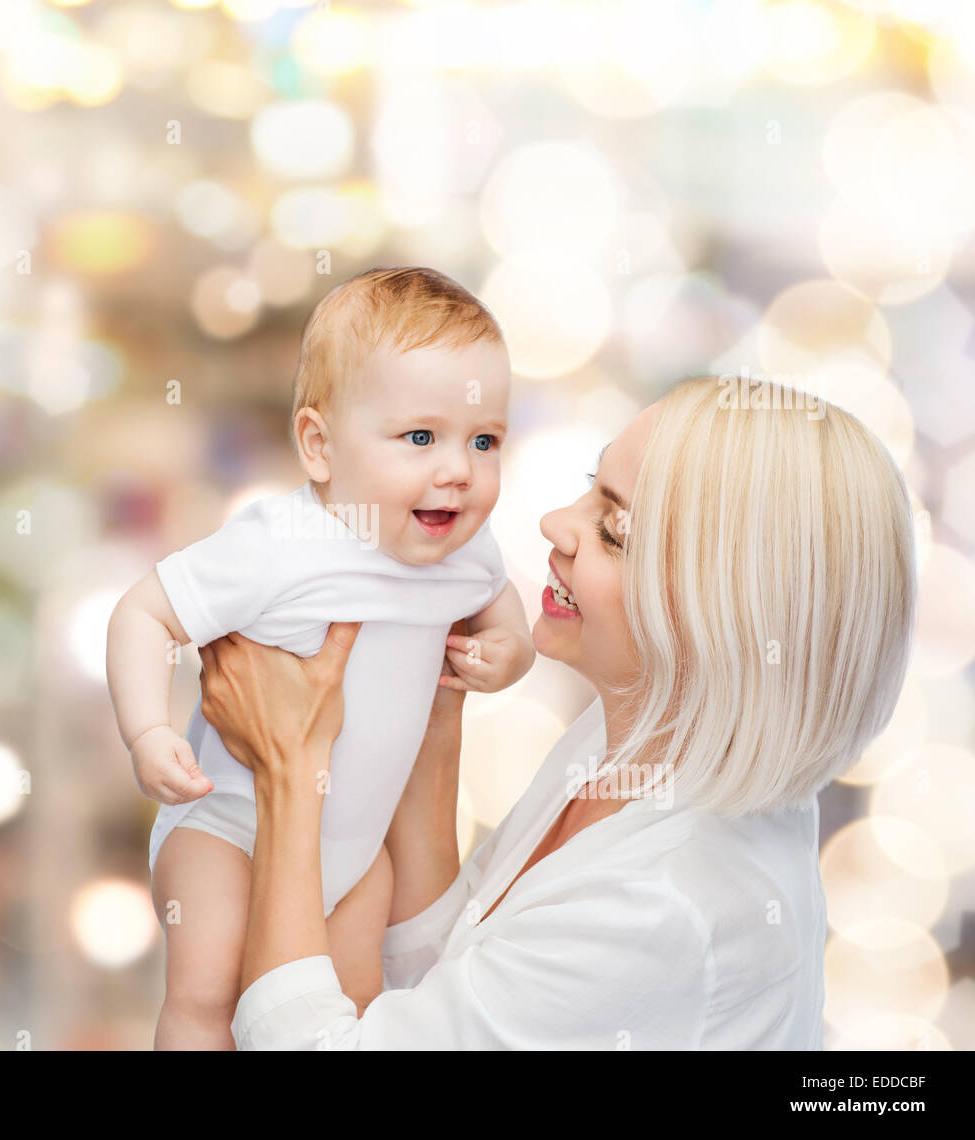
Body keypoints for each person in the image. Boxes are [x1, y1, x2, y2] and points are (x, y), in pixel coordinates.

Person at [195, 373, 918, 1049]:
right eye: (589, 489)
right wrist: (436, 713)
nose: (554, 524)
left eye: (614, 532)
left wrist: (290, 770)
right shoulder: (644, 734)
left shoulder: (661, 908)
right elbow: (457, 979)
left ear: (725, 618)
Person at [105, 268, 535, 1049]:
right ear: (319, 447)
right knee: (208, 993)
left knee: (351, 1007)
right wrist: (146, 732)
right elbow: (144, 612)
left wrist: (507, 656)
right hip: (230, 827)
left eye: (484, 440)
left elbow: (505, 616)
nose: (458, 470)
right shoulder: (281, 544)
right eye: (420, 438)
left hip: (357, 854)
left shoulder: (466, 553)